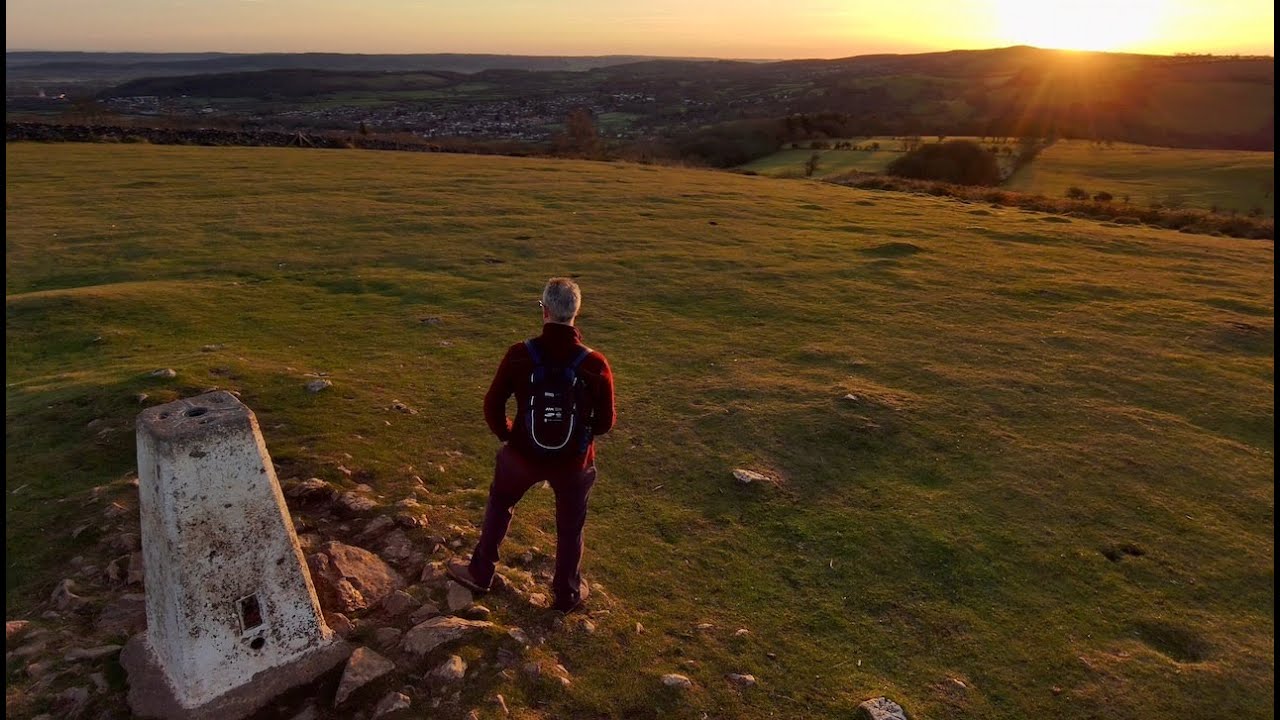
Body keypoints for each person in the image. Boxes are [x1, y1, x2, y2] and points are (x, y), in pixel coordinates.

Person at [447, 277, 616, 613]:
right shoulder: (595, 363)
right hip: (573, 462)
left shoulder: (520, 354)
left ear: (545, 311)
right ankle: (566, 594)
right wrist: (581, 437)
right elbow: (606, 422)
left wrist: (509, 434)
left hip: (522, 454)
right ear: (576, 312)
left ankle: (480, 572)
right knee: (570, 526)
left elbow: (492, 404)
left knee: (501, 503)